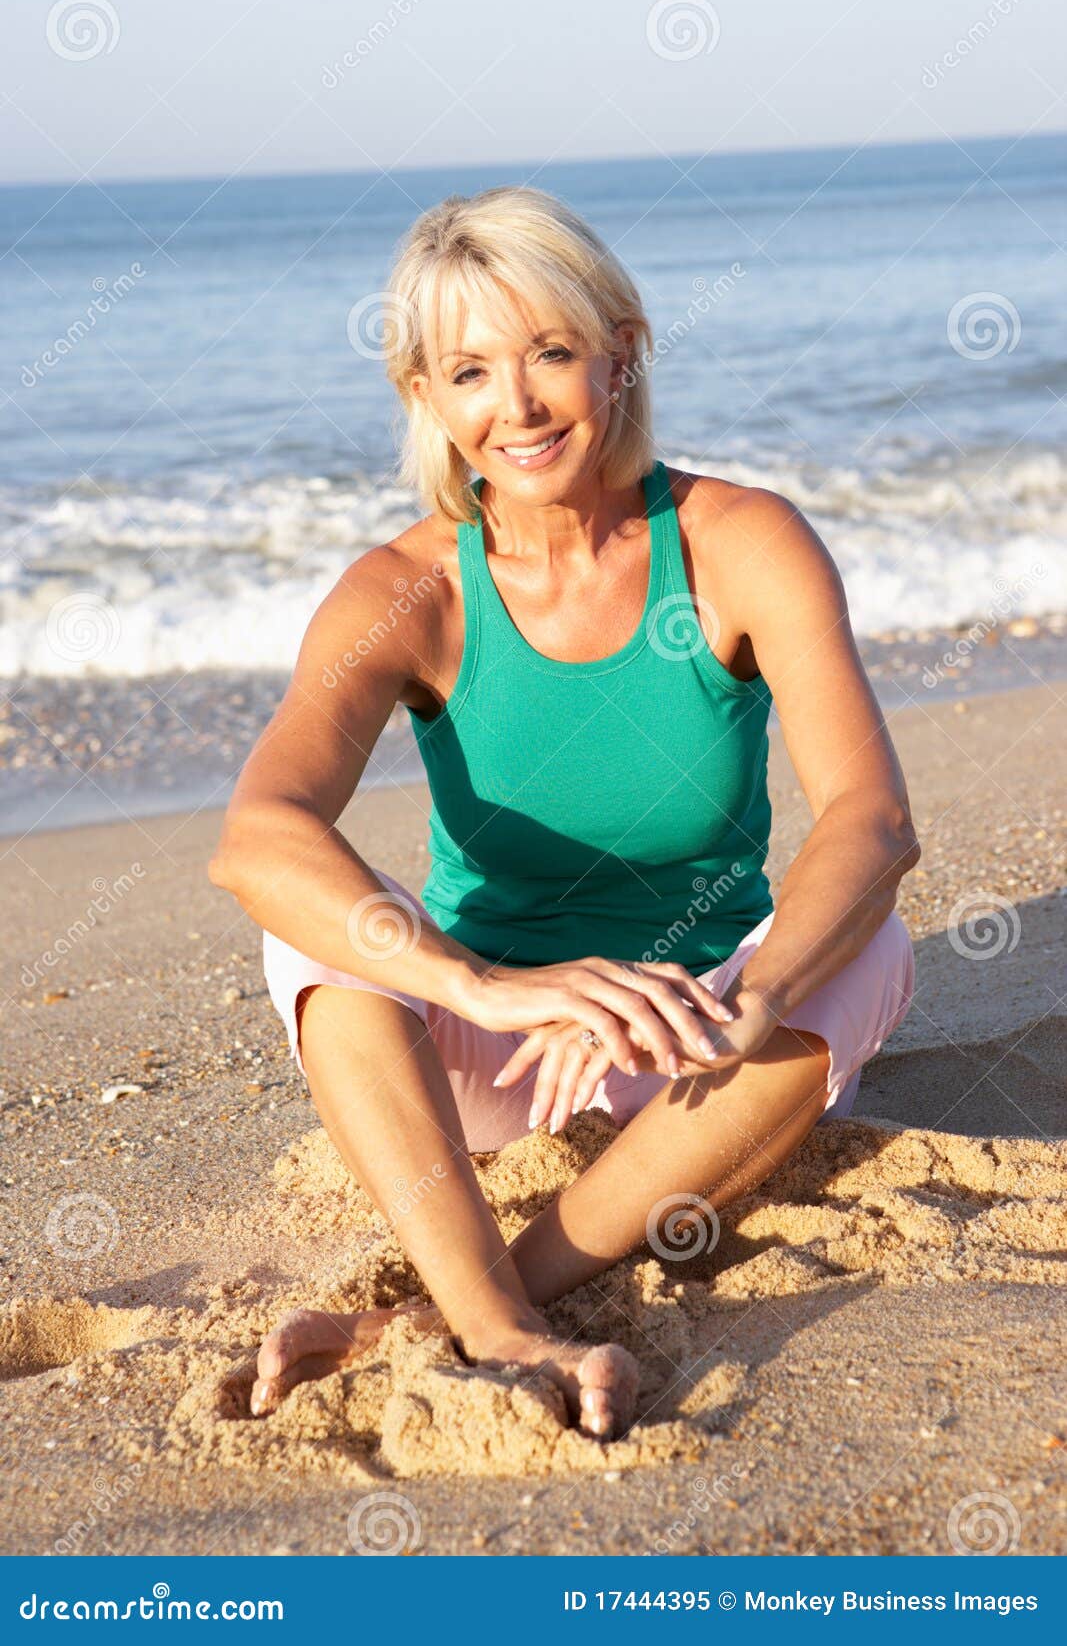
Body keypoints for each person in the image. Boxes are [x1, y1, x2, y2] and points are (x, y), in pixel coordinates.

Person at [208, 186, 920, 1444]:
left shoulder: (739, 542)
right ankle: (497, 1324)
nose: (518, 405)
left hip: (698, 1060)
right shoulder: (405, 589)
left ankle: (455, 1314)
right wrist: (479, 984)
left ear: (619, 352)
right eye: (470, 370)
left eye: (549, 352)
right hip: (492, 1063)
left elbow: (869, 816)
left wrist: (746, 1000)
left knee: (872, 941)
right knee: (314, 929)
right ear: (426, 396)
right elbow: (256, 833)